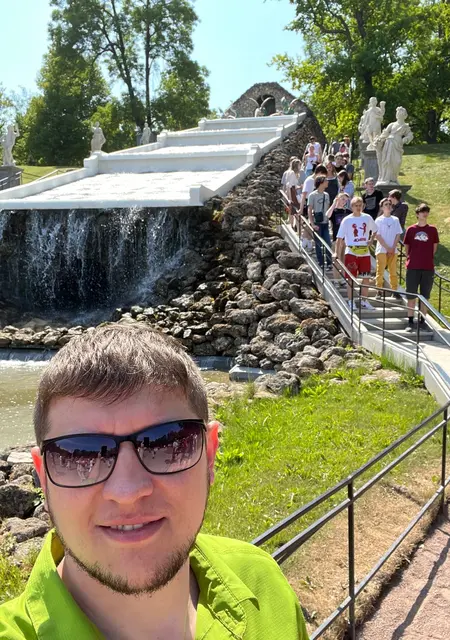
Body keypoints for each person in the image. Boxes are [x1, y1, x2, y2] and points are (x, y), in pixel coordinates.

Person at [0, 325, 309, 640]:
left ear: (210, 456)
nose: (127, 492)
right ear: (43, 478)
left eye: (166, 444)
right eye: (82, 456)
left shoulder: (264, 584)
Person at [336, 196, 377, 310]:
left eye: (360, 205)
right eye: (356, 206)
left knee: (366, 278)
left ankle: (364, 301)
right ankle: (351, 301)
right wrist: (337, 253)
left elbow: (375, 230)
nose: (358, 208)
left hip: (364, 252)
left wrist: (371, 240)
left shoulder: (367, 217)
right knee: (351, 278)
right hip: (351, 252)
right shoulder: (347, 220)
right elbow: (339, 238)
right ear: (352, 207)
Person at [404, 203, 440, 332]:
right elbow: (407, 246)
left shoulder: (432, 230)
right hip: (413, 266)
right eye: (422, 211)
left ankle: (422, 321)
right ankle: (410, 321)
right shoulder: (411, 229)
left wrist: (427, 257)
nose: (425, 214)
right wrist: (411, 258)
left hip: (427, 267)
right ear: (417, 214)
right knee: (411, 295)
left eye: (426, 211)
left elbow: (434, 247)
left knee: (425, 296)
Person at [374, 198, 403, 299]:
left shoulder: (395, 220)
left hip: (393, 250)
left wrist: (393, 247)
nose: (388, 206)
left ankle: (394, 290)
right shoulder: (378, 220)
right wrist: (387, 248)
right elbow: (377, 235)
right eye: (386, 204)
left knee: (393, 271)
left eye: (389, 204)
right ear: (382, 207)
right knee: (380, 271)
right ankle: (379, 290)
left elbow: (398, 234)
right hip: (382, 249)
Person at [300, 164, 328, 250]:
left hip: (315, 204)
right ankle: (304, 240)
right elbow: (304, 195)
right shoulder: (309, 181)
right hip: (308, 203)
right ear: (319, 172)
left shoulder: (316, 181)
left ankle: (308, 240)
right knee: (309, 223)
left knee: (312, 223)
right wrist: (301, 209)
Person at [308, 175, 332, 268]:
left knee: (328, 243)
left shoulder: (327, 195)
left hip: (325, 222)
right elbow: (310, 209)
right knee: (318, 244)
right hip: (317, 222)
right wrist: (312, 224)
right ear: (321, 182)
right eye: (326, 181)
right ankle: (321, 262)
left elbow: (328, 208)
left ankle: (329, 263)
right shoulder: (312, 195)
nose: (327, 182)